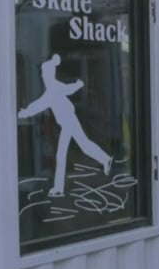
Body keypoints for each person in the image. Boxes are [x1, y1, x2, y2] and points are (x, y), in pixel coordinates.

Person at [18, 54, 113, 197]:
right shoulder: (54, 88)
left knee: (62, 154)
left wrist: (24, 113)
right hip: (69, 122)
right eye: (43, 75)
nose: (43, 77)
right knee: (84, 145)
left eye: (44, 74)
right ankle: (105, 159)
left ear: (49, 75)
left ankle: (58, 188)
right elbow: (65, 90)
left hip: (69, 123)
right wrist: (78, 85)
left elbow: (39, 105)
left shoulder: (52, 90)